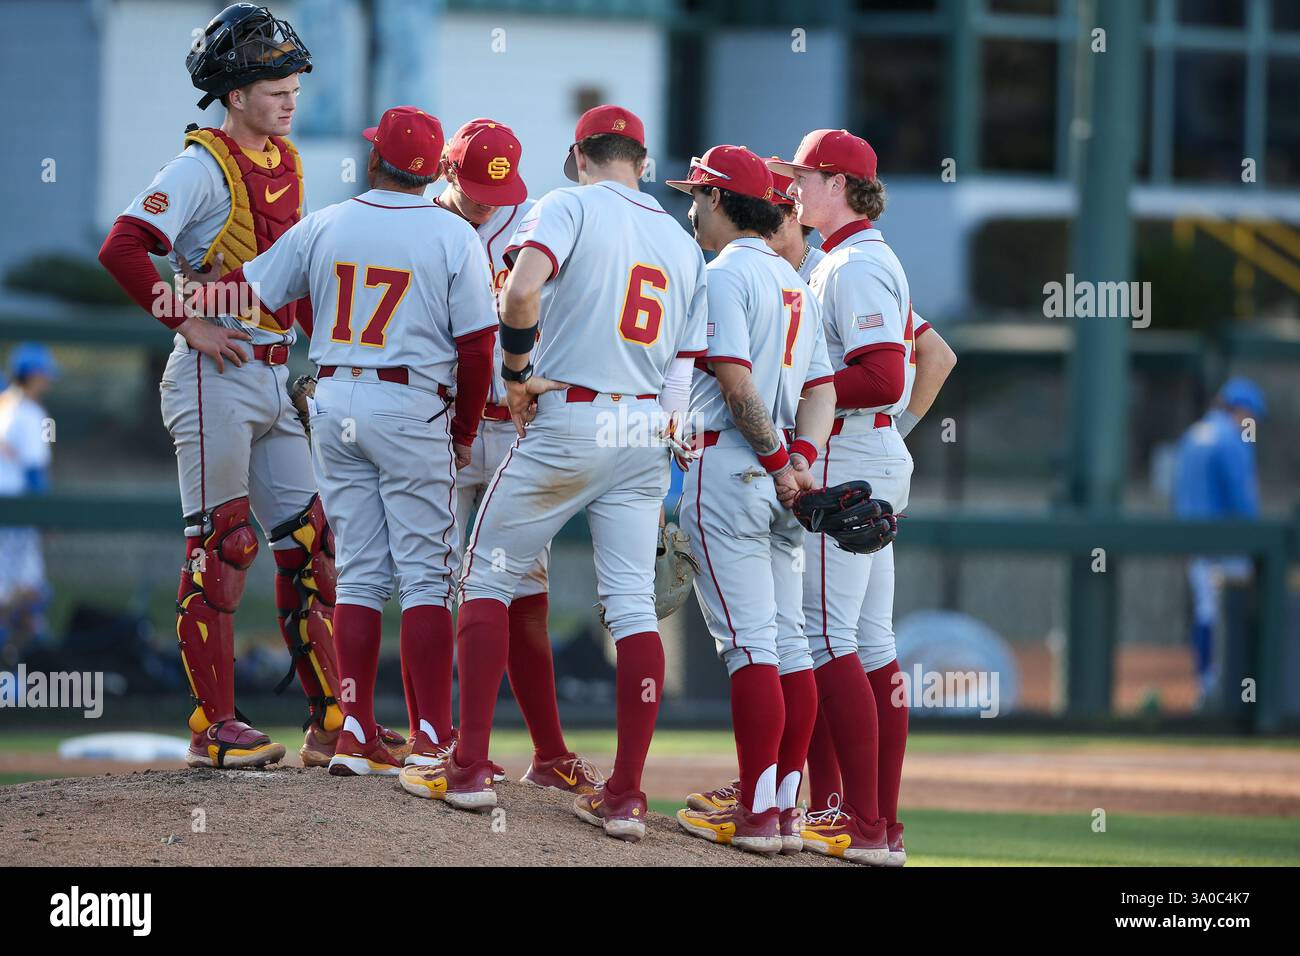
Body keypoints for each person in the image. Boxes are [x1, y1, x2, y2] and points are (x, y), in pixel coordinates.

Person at [98, 3, 396, 770]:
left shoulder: (285, 160)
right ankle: (212, 726)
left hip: (269, 374)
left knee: (311, 545)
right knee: (221, 546)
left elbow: (281, 283)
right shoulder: (201, 165)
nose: (291, 94)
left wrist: (306, 364)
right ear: (235, 93)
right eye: (272, 82)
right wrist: (186, 323)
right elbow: (124, 246)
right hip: (213, 375)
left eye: (292, 78)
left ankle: (333, 722)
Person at [400, 105, 708, 844]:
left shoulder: (567, 204)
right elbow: (684, 368)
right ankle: (626, 795)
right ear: (642, 155)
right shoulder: (679, 236)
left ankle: (469, 767)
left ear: (578, 156)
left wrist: (514, 370)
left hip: (568, 414)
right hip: (641, 429)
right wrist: (666, 437)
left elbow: (521, 292)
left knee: (485, 579)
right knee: (633, 607)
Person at [189, 105, 498, 775]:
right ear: (431, 172)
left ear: (373, 159)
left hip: (334, 397)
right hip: (413, 399)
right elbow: (477, 348)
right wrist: (466, 429)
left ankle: (353, 730)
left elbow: (243, 291)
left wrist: (181, 294)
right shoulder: (452, 237)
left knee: (358, 572)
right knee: (424, 577)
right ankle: (432, 737)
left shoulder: (325, 222)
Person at [664, 146, 835, 856]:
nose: (692, 208)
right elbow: (822, 389)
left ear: (723, 201)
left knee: (749, 647)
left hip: (732, 469)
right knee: (788, 644)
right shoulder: (794, 280)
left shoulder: (725, 274)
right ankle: (784, 810)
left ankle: (760, 813)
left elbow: (734, 386)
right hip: (778, 474)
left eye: (699, 195)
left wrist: (775, 463)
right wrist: (798, 462)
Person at [763, 130, 917, 865]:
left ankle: (860, 822)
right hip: (868, 447)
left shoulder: (854, 265)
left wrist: (798, 393)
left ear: (838, 182)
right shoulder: (846, 259)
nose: (792, 188)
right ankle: (879, 825)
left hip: (852, 450)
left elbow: (886, 376)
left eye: (802, 177)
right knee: (872, 644)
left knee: (829, 640)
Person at [434, 117, 602, 791]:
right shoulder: (421, 225)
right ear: (446, 172)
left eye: (496, 190)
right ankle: (428, 738)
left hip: (511, 425)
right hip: (439, 424)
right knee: (432, 585)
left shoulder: (529, 226)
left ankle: (548, 752)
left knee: (523, 594)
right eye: (474, 188)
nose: (486, 202)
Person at [1172, 377, 1265, 704]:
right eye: (1251, 417)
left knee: (1206, 612)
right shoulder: (1231, 440)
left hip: (1196, 547)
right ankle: (1233, 692)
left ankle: (1206, 685)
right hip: (1229, 548)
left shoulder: (1192, 436)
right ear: (1240, 410)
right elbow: (1244, 503)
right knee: (1236, 617)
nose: (1252, 425)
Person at [0, 345, 58, 662]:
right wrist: (46, 515)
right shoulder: (33, 413)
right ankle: (20, 658)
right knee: (28, 591)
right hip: (18, 512)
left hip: (8, 511)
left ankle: (23, 654)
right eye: (44, 374)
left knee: (19, 591)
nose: (48, 381)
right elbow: (36, 472)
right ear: (32, 376)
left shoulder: (3, 403)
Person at [766, 159, 824, 282]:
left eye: (762, 212)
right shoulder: (750, 272)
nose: (751, 221)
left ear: (794, 213)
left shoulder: (826, 271)